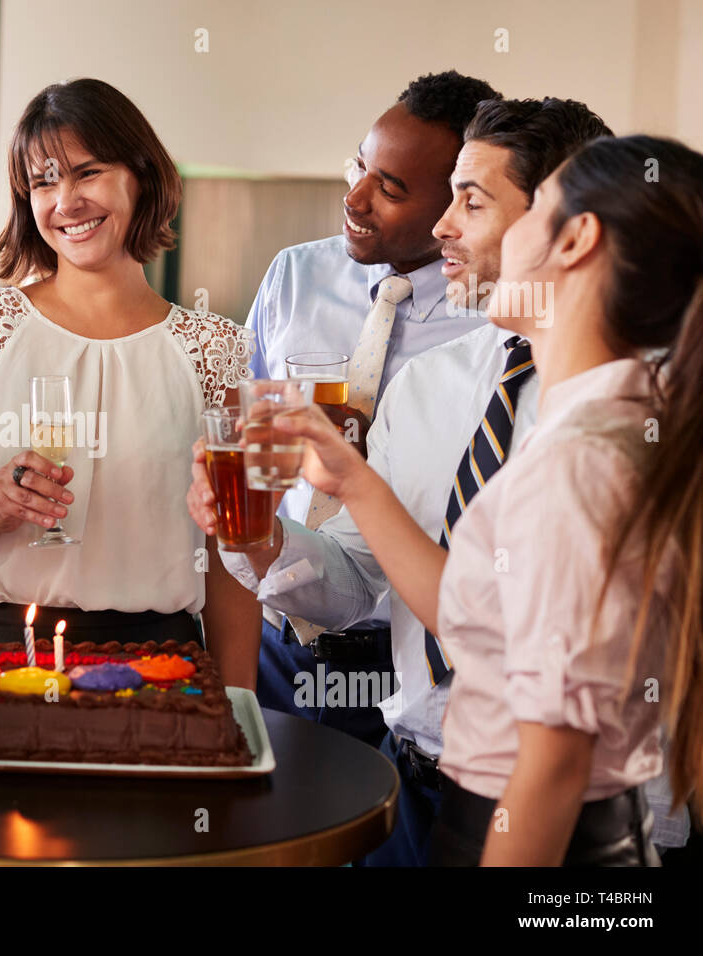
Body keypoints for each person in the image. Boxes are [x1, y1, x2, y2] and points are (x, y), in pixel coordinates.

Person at [194, 98, 614, 865]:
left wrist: (355, 483)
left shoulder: (627, 414)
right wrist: (260, 540)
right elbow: (357, 581)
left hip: (583, 814)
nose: (444, 226)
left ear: (569, 225)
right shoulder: (430, 385)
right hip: (420, 782)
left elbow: (502, 634)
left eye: (472, 201)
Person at [274, 133, 703, 865]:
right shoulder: (624, 429)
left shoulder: (580, 467)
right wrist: (350, 479)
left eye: (525, 210)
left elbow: (554, 761)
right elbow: (483, 626)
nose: (448, 225)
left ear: (576, 240)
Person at [0, 78, 261, 653]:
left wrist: (239, 711)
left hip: (161, 669)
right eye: (44, 181)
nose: (66, 202)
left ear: (141, 176)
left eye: (88, 172)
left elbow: (231, 558)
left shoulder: (212, 351)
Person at [206, 71, 501, 717]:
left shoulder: (493, 325)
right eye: (359, 169)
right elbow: (234, 425)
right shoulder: (296, 273)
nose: (356, 199)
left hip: (413, 657)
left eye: (389, 189)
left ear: (458, 208)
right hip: (277, 631)